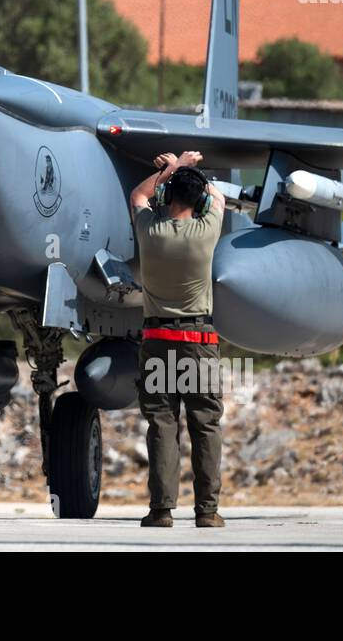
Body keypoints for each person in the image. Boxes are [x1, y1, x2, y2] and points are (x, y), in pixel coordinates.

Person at [128, 150, 227, 528]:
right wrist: (190, 168)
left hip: (156, 340)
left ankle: (161, 510)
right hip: (199, 341)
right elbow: (216, 198)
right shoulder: (206, 231)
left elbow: (137, 196)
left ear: (168, 197)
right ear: (198, 199)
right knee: (205, 423)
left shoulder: (150, 232)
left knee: (162, 424)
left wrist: (171, 168)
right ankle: (207, 511)